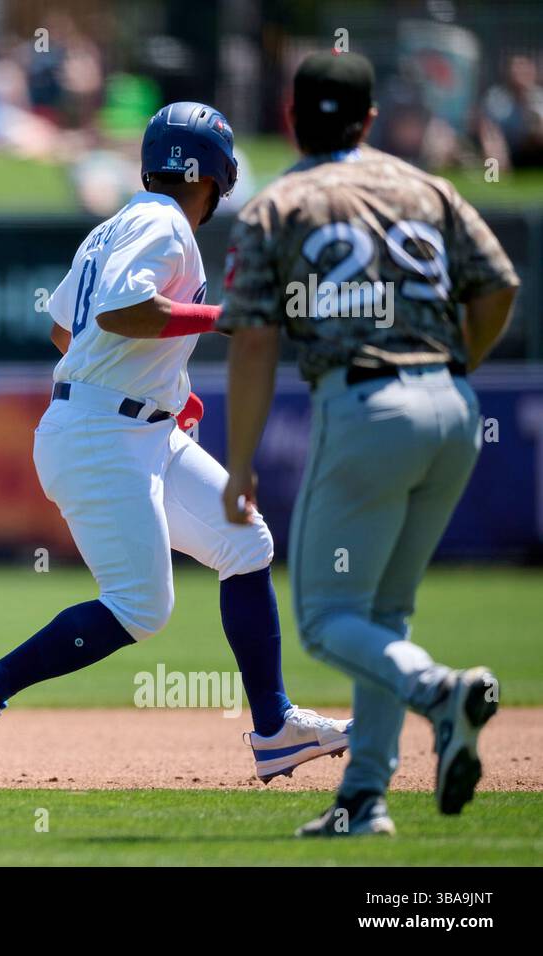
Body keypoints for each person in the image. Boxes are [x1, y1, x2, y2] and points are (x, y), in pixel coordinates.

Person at [0, 102, 351, 787]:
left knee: (245, 543)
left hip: (134, 424)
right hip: (103, 434)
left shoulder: (117, 224)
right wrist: (226, 318)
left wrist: (163, 384)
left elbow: (66, 333)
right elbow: (118, 313)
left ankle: (274, 729)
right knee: (141, 606)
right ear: (215, 170)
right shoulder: (163, 223)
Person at [220, 53, 519, 836]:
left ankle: (441, 692)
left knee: (326, 620)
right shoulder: (427, 187)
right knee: (384, 611)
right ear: (372, 120)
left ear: (289, 119)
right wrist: (456, 366)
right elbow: (500, 287)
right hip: (453, 409)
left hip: (365, 405)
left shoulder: (277, 205)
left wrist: (241, 461)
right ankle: (363, 798)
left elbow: (252, 343)